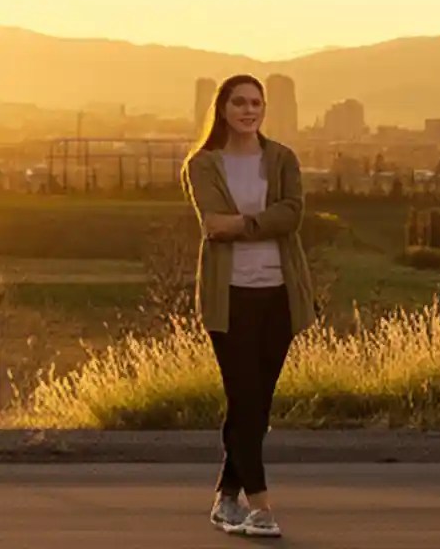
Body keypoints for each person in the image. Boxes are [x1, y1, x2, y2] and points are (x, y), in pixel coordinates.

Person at [180, 74, 317, 538]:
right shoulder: (202, 164)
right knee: (245, 398)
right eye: (239, 102)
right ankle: (259, 507)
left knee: (256, 407)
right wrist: (264, 221)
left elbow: (293, 214)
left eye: (256, 102)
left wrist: (243, 223)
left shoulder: (281, 159)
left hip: (279, 293)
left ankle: (225, 498)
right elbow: (212, 224)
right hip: (230, 297)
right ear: (222, 108)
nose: (248, 110)